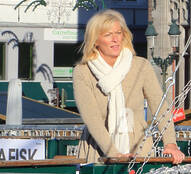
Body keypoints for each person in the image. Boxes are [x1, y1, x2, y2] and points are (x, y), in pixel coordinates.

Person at [72, 10, 183, 164]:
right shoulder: (82, 72)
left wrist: (170, 143)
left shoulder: (141, 66)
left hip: (139, 148)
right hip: (98, 151)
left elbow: (160, 107)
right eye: (108, 35)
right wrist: (114, 153)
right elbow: (92, 119)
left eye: (118, 33)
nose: (115, 39)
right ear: (95, 40)